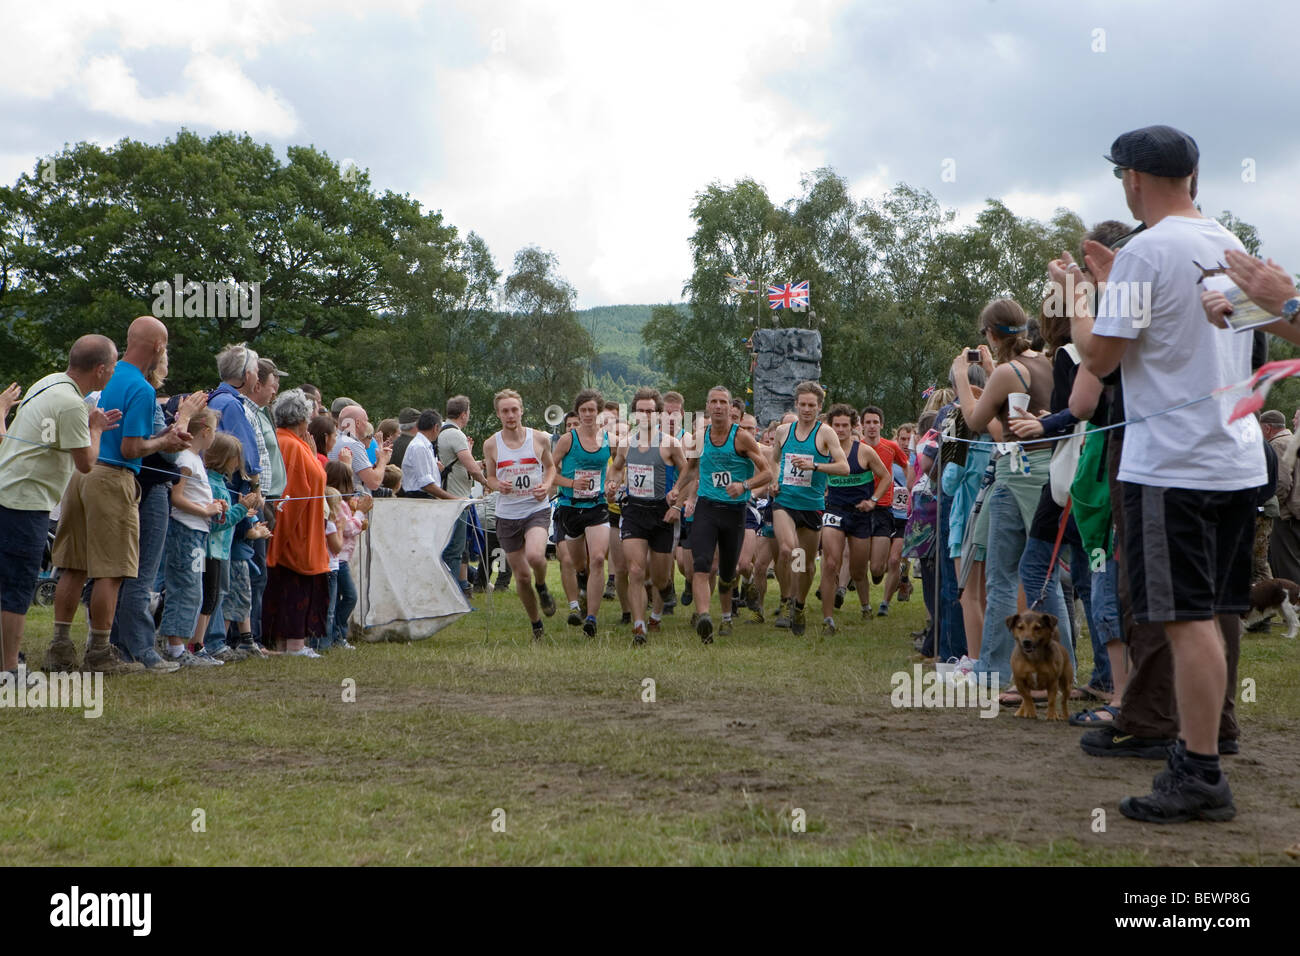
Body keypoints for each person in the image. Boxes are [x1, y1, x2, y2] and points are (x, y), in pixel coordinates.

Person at [1058, 124, 1255, 823]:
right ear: (1193, 176)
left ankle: (1197, 771)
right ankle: (1211, 737)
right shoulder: (1229, 246)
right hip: (1235, 454)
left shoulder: (1145, 252)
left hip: (1171, 460)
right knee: (1218, 609)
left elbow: (1101, 358)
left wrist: (1084, 296)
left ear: (1132, 179)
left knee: (1182, 617)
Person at [48, 317, 191, 675]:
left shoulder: (106, 378)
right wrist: (166, 440)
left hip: (81, 474)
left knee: (74, 565)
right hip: (112, 478)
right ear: (158, 347)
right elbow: (131, 448)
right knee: (110, 571)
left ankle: (59, 649)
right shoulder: (141, 389)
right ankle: (99, 652)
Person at [0, 336, 120, 676]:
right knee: (17, 588)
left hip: (7, 490)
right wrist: (95, 427)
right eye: (111, 367)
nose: (112, 373)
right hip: (24, 502)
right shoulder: (71, 405)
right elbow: (86, 463)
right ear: (100, 370)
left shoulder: (48, 383)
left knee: (7, 584)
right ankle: (8, 670)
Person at [676, 386, 772, 642]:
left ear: (731, 408)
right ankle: (705, 616)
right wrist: (677, 489)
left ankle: (727, 617)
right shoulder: (700, 437)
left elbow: (767, 472)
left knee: (729, 573)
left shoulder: (741, 438)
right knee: (702, 564)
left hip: (734, 511)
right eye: (713, 402)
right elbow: (690, 467)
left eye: (723, 402)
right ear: (707, 407)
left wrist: (744, 485)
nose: (718, 406)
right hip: (707, 508)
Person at [607, 387, 692, 643]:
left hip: (661, 513)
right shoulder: (625, 443)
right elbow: (616, 470)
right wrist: (611, 485)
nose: (645, 415)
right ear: (634, 414)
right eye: (641, 411)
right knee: (634, 570)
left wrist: (678, 500)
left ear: (658, 415)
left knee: (660, 577)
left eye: (650, 411)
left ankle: (656, 613)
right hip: (634, 510)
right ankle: (639, 624)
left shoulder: (670, 444)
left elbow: (690, 474)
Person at [769, 382, 849, 635]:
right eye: (802, 404)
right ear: (796, 404)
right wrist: (773, 480)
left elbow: (843, 467)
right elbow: (773, 460)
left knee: (806, 565)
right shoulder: (783, 431)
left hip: (812, 505)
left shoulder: (826, 433)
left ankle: (799, 604)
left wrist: (815, 467)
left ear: (819, 407)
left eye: (811, 405)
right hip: (785, 501)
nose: (806, 409)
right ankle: (787, 598)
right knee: (787, 550)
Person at [482, 389, 557, 640]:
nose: (510, 415)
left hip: (535, 509)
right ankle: (536, 625)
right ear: (498, 414)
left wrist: (546, 486)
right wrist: (496, 484)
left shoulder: (538, 438)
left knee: (536, 556)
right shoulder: (492, 444)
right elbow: (490, 477)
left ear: (521, 411)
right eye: (505, 411)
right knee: (521, 577)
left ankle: (543, 586)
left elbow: (550, 467)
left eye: (514, 409)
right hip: (507, 514)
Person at [262, 389, 331, 657]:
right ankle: (293, 643)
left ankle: (292, 642)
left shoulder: (296, 442)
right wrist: (281, 536)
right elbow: (290, 493)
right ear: (302, 418)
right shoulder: (288, 444)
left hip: (307, 529)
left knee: (298, 587)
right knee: (293, 588)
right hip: (296, 532)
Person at [818, 404, 890, 631]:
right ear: (830, 426)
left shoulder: (864, 451)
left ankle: (865, 605)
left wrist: (874, 500)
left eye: (844, 426)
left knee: (859, 570)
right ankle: (828, 617)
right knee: (830, 564)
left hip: (859, 514)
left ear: (852, 427)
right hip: (834, 510)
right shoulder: (824, 451)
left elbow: (886, 477)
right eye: (836, 425)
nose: (840, 430)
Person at [553, 389, 611, 636]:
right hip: (570, 507)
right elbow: (549, 472)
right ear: (578, 412)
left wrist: (613, 482)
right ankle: (581, 586)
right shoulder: (568, 440)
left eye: (592, 410)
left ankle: (591, 618)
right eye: (584, 410)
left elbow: (619, 467)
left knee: (598, 558)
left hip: (597, 506)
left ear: (599, 412)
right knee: (580, 564)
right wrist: (570, 484)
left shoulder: (609, 439)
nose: (588, 414)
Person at [439, 395, 490, 595]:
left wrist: (478, 465)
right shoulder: (456, 434)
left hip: (451, 496)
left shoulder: (443, 431)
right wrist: (487, 483)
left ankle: (460, 586)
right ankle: (454, 592)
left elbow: (462, 464)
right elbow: (470, 467)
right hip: (456, 499)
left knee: (459, 546)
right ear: (464, 414)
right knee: (456, 546)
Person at [858, 406, 907, 615]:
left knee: (879, 567)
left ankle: (887, 582)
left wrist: (909, 487)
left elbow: (906, 466)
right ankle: (865, 603)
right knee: (857, 559)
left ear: (881, 425)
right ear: (861, 425)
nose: (871, 426)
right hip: (859, 506)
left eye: (875, 422)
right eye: (867, 422)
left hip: (885, 508)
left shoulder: (891, 447)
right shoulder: (855, 447)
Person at [401, 410, 461, 501]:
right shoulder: (419, 447)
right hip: (419, 498)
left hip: (422, 497)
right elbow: (426, 484)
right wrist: (455, 499)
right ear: (436, 427)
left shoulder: (424, 446)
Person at [331, 405, 391, 493]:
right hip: (352, 502)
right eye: (366, 421)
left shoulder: (333, 440)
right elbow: (373, 482)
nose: (367, 424)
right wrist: (383, 460)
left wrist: (377, 463)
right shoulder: (353, 444)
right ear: (357, 423)